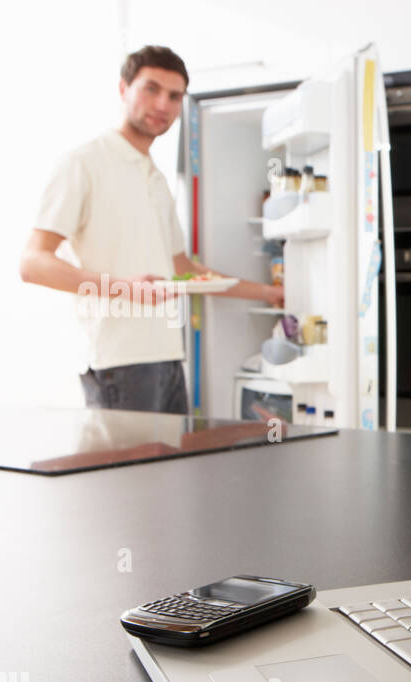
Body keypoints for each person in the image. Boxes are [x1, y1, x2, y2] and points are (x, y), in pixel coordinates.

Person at [20, 45, 283, 414]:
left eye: (174, 96)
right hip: (116, 361)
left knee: (171, 471)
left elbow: (182, 268)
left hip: (167, 356)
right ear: (123, 88)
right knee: (129, 472)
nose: (163, 104)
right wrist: (123, 288)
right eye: (151, 89)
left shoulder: (155, 177)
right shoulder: (84, 162)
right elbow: (33, 263)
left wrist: (268, 293)